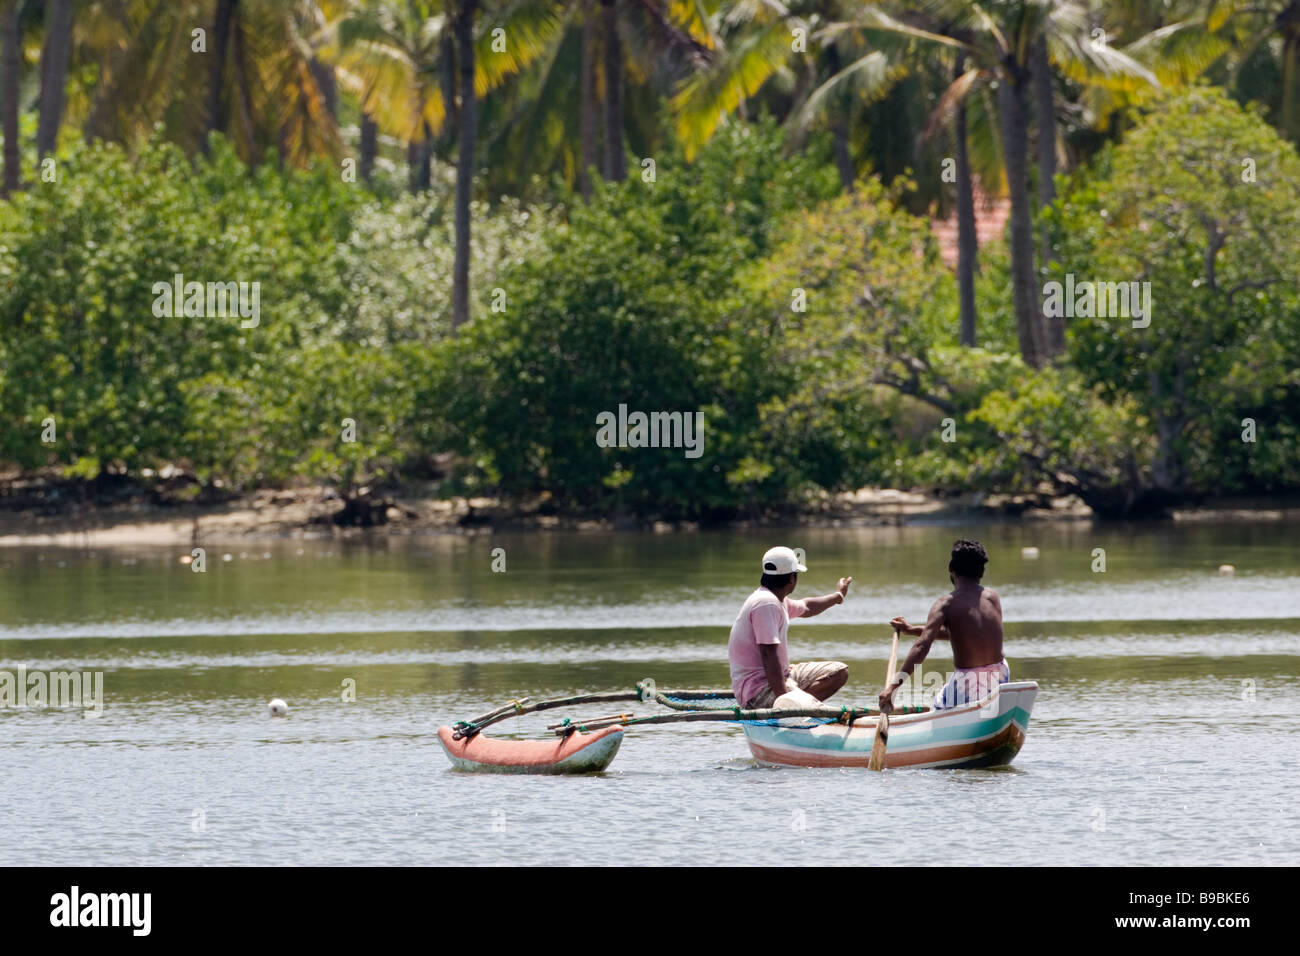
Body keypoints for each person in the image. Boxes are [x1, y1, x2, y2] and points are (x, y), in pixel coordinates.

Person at [878, 539, 1007, 713]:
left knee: (939, 705)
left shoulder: (945, 603)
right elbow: (964, 633)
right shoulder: (992, 597)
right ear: (982, 572)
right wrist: (912, 630)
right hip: (1000, 675)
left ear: (950, 568)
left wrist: (892, 688)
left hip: (969, 682)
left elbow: (922, 646)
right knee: (949, 693)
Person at [728, 546, 852, 710]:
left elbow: (807, 607)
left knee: (839, 672)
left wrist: (838, 596)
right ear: (792, 579)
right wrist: (784, 698)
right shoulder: (766, 603)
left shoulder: (776, 599)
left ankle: (796, 707)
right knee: (790, 701)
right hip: (758, 691)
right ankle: (788, 709)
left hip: (781, 676)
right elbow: (768, 654)